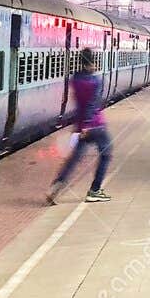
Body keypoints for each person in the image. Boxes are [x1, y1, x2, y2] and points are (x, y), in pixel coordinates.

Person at [46, 49, 114, 206]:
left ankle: (57, 185)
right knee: (106, 154)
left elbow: (82, 103)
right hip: (95, 124)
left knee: (75, 157)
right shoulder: (95, 81)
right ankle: (95, 191)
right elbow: (93, 103)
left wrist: (81, 126)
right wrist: (88, 124)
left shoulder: (75, 80)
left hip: (80, 124)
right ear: (92, 63)